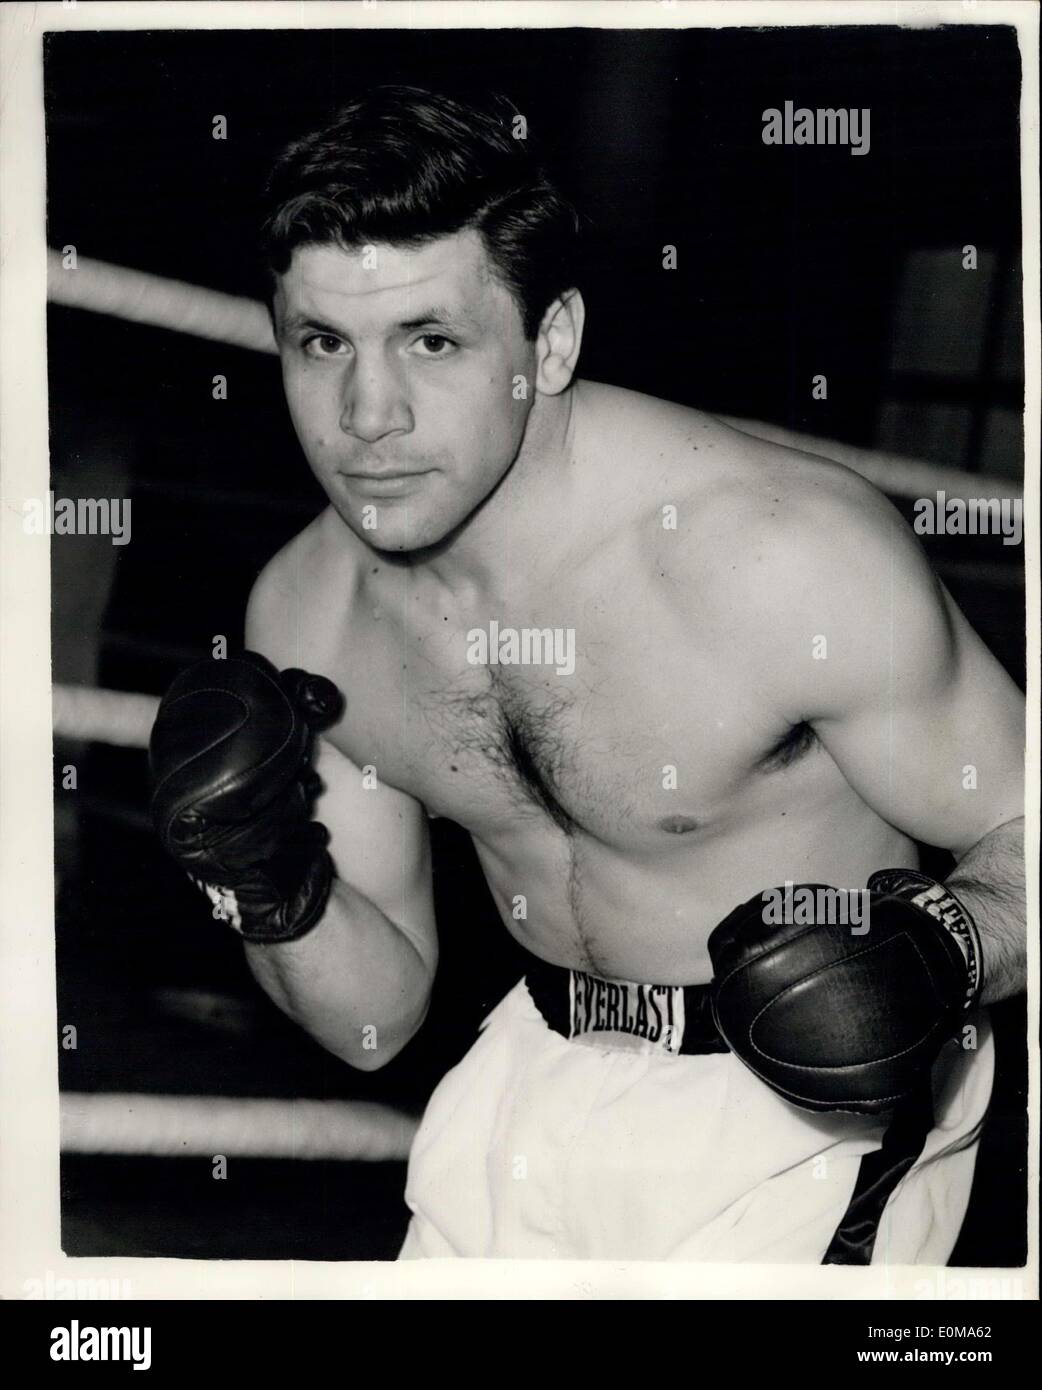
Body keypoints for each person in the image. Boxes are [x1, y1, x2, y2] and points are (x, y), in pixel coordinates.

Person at [149, 86, 1025, 1263]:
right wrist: (257, 880)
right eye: (322, 344)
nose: (366, 415)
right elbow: (371, 1021)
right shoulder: (311, 609)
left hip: (806, 1123)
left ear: (547, 342)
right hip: (532, 1067)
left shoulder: (779, 557)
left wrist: (946, 942)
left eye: (431, 340)